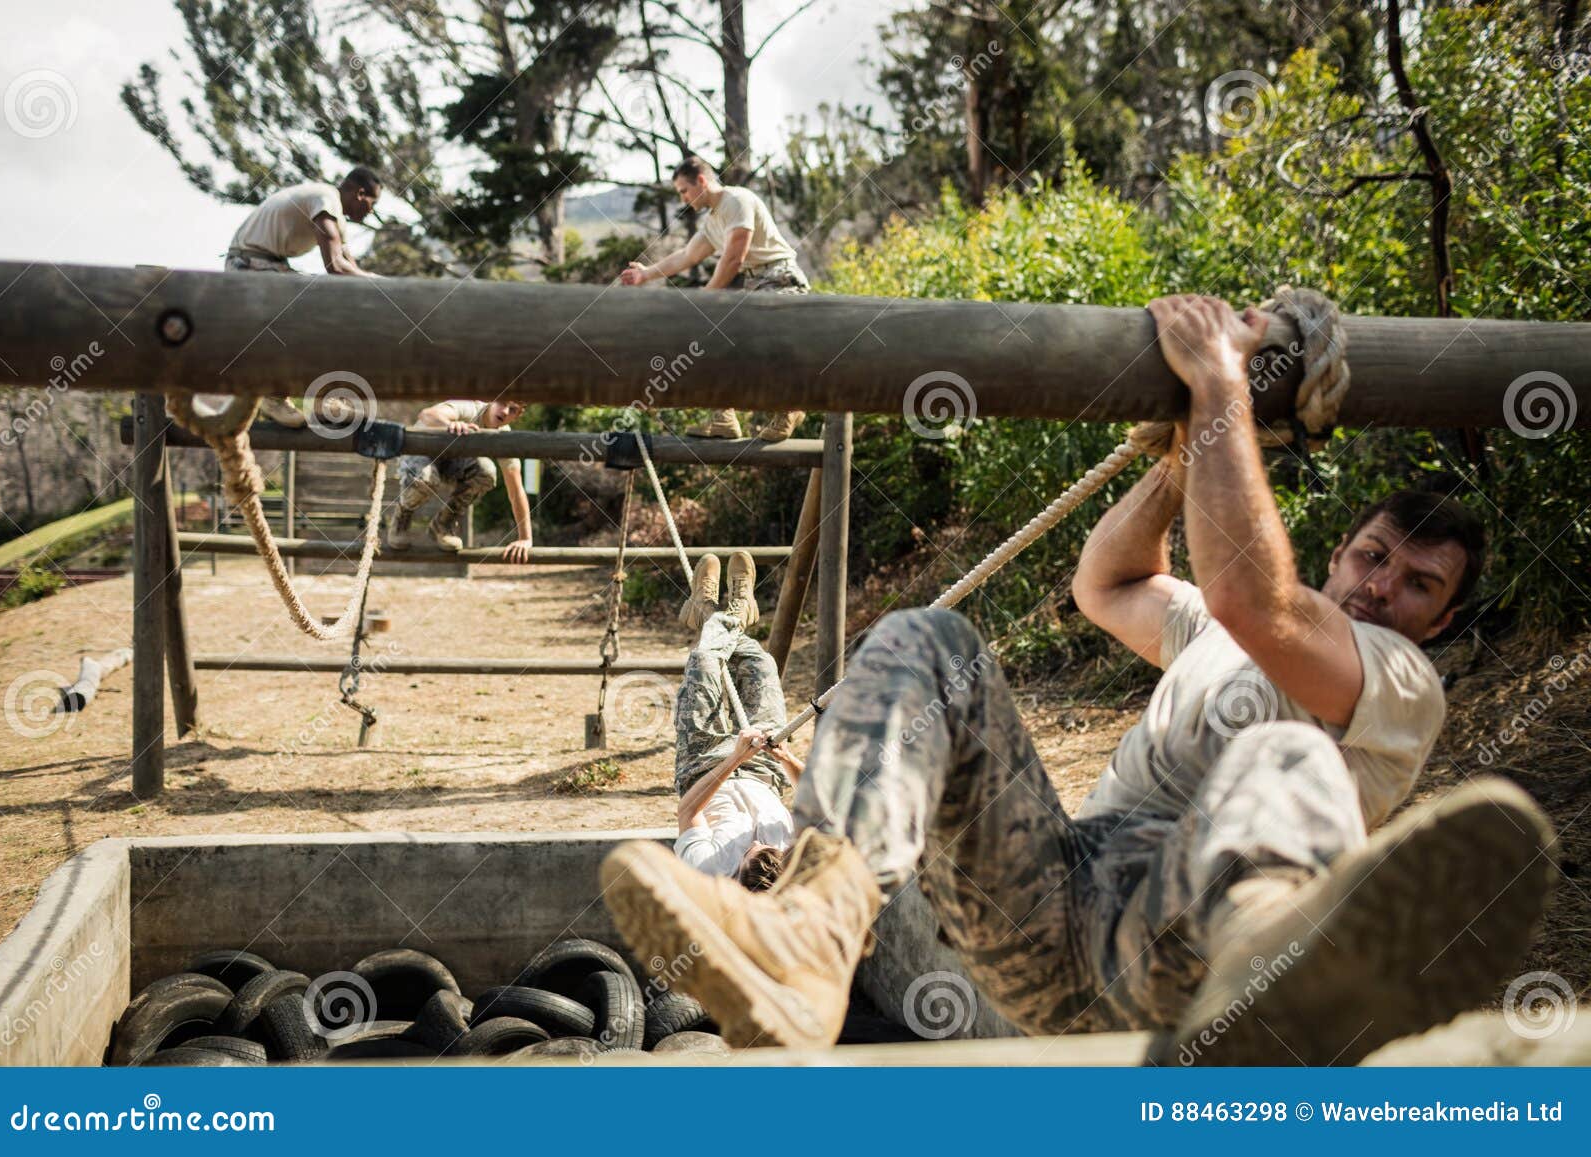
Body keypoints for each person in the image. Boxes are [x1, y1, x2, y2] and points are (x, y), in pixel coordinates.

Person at [600, 294, 1557, 1066]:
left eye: (1418, 583)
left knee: (1287, 750)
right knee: (929, 639)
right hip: (1043, 917)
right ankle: (814, 925)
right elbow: (1109, 583)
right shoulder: (1227, 633)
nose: (1383, 586)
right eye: (1373, 557)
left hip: (1197, 963)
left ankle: (1278, 981)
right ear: (1340, 553)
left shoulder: (1398, 678)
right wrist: (1183, 460)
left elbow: (1250, 597)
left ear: (1442, 621)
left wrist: (1221, 375)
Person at [618, 156, 809, 443]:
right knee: (710, 338)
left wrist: (706, 297)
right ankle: (723, 416)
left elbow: (734, 257)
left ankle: (788, 408)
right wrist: (646, 274)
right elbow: (686, 255)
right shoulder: (713, 221)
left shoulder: (736, 201)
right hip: (755, 284)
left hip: (781, 281)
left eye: (684, 190)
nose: (682, 198)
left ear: (702, 181)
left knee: (753, 341)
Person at [671, 551, 803, 889]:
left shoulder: (710, 870)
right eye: (766, 847)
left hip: (704, 764)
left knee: (704, 664)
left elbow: (687, 812)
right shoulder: (795, 859)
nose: (754, 843)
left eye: (749, 852)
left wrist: (733, 759)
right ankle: (728, 615)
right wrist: (786, 757)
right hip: (766, 769)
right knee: (761, 665)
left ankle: (710, 615)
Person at [224, 167, 383, 428]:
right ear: (360, 193)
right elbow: (335, 266)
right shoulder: (325, 198)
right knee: (320, 310)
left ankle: (322, 396)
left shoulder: (334, 214)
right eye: (372, 203)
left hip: (268, 265)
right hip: (249, 265)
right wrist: (378, 285)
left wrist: (373, 285)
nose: (371, 211)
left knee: (336, 308)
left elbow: (351, 268)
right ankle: (281, 395)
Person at [385, 400, 532, 561]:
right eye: (502, 403)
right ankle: (402, 517)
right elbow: (427, 414)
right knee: (426, 478)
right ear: (491, 401)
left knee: (486, 473)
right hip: (420, 453)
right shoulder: (470, 409)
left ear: (517, 416)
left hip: (451, 462)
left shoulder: (504, 437)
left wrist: (525, 538)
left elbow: (516, 491)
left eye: (512, 410)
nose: (504, 411)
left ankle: (443, 524)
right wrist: (448, 424)